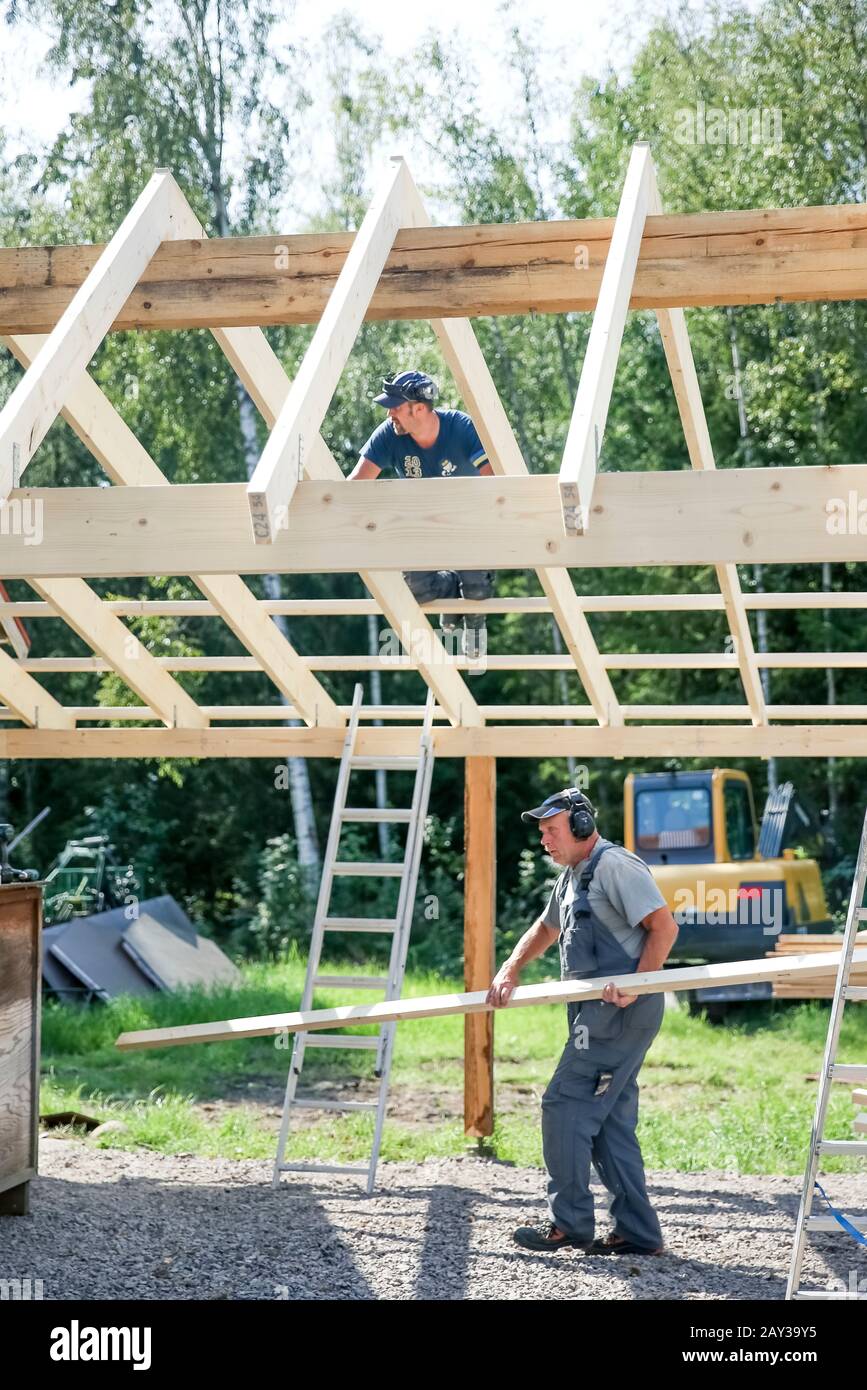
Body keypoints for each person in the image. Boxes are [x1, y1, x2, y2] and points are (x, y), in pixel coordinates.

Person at [487, 787, 679, 1255]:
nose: (545, 842)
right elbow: (548, 928)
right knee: (608, 1121)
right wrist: (511, 967)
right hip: (599, 1011)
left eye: (552, 831)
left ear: (580, 826)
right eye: (543, 834)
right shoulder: (573, 876)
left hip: (619, 1011)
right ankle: (637, 1232)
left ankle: (568, 1223)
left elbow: (665, 927)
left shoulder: (616, 866)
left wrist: (637, 984)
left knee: (564, 1106)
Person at [348, 370, 494, 659]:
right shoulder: (389, 435)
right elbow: (355, 486)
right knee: (417, 591)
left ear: (419, 408)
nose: (390, 414)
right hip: (421, 530)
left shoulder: (461, 427)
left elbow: (496, 483)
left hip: (469, 526)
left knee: (477, 587)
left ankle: (475, 618)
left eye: (396, 407)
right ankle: (450, 585)